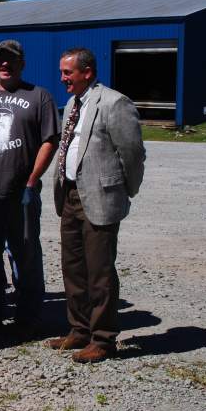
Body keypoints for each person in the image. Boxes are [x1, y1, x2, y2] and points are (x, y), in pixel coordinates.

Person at [47, 48, 145, 363]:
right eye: (62, 72)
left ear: (87, 72)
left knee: (99, 271)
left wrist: (127, 189)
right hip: (70, 195)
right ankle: (79, 330)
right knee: (73, 267)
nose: (62, 79)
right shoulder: (73, 103)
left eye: (67, 73)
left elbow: (132, 152)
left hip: (99, 197)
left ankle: (103, 339)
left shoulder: (114, 103)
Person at [0, 40, 59, 339]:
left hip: (21, 191)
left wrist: (32, 179)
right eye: (0, 60)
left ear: (22, 63)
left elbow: (49, 140)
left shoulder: (38, 96)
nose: (5, 64)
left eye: (12, 60)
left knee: (26, 252)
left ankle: (28, 317)